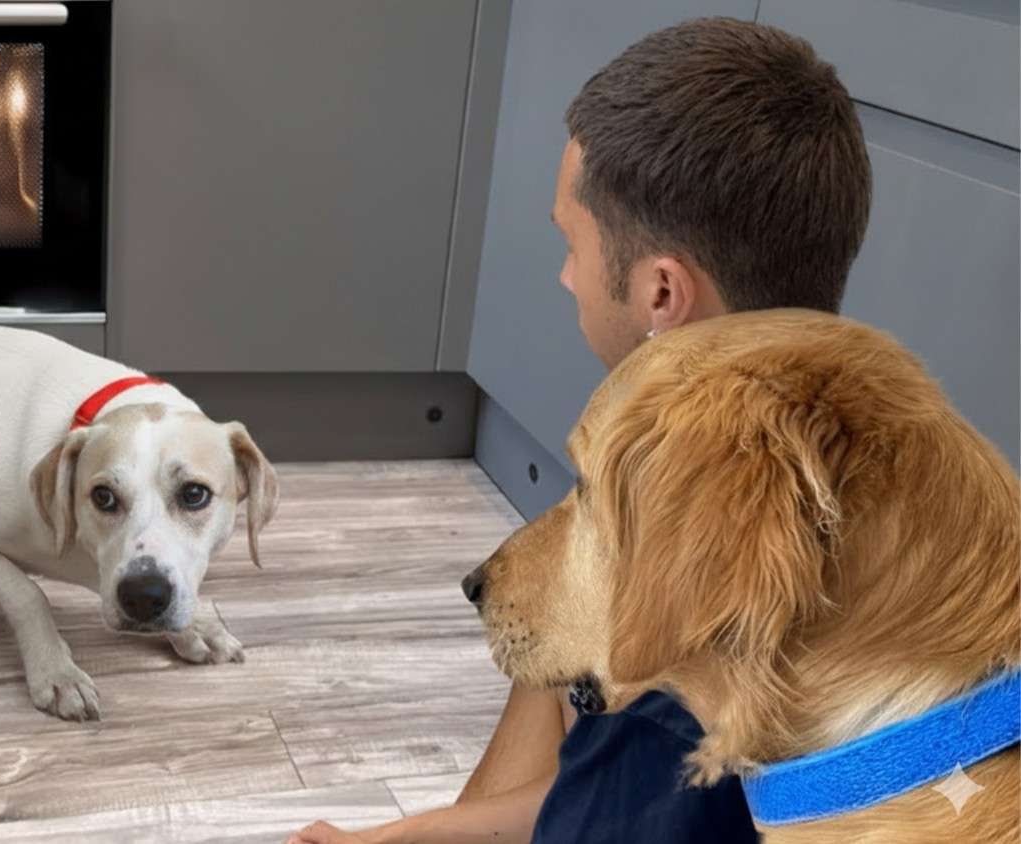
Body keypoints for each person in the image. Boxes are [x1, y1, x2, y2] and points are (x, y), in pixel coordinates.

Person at [288, 16, 871, 844]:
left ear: (661, 295)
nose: (565, 275)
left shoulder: (681, 656)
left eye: (573, 243)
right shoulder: (843, 454)